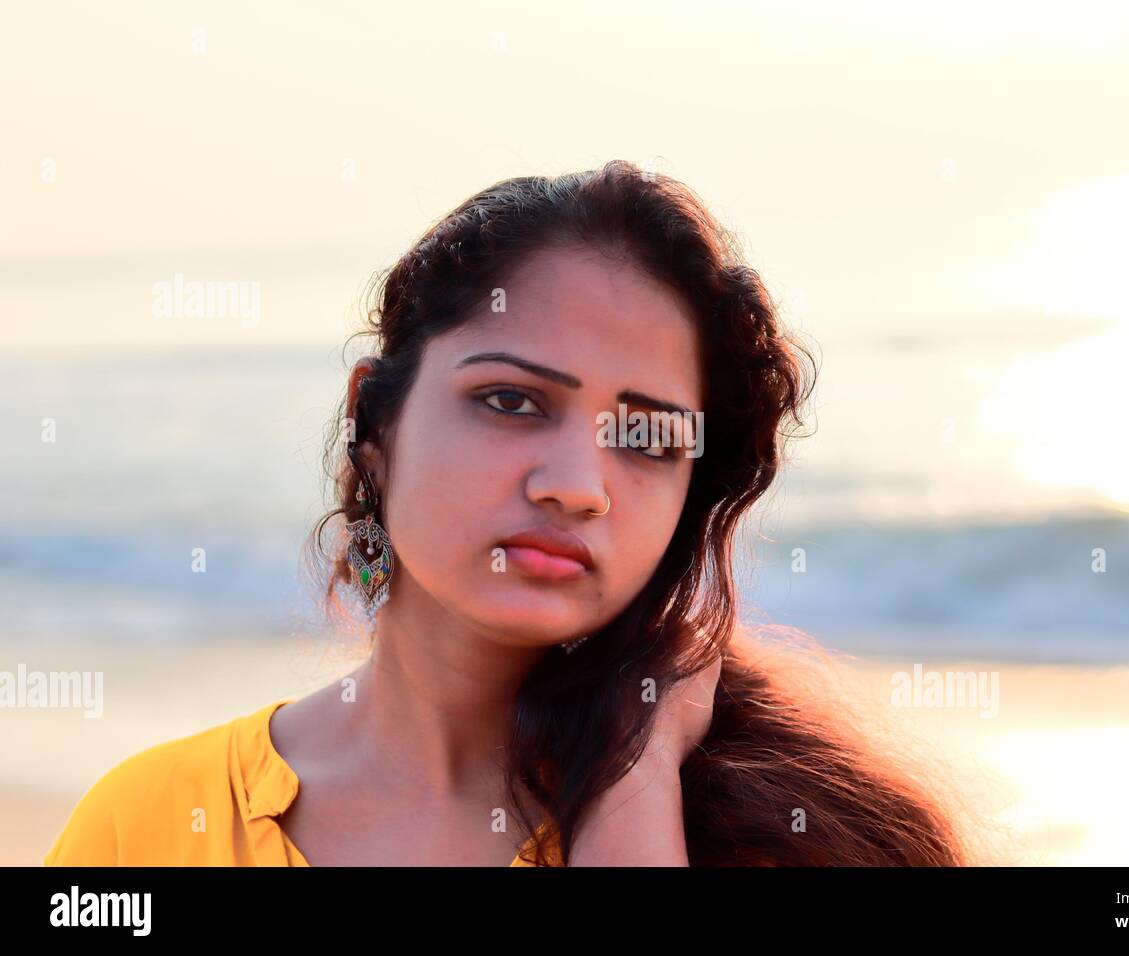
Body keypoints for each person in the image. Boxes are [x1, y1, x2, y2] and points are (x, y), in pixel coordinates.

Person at [44, 160, 970, 866]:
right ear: (378, 423)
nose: (578, 484)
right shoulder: (151, 824)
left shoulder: (797, 833)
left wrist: (635, 794)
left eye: (648, 438)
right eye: (512, 402)